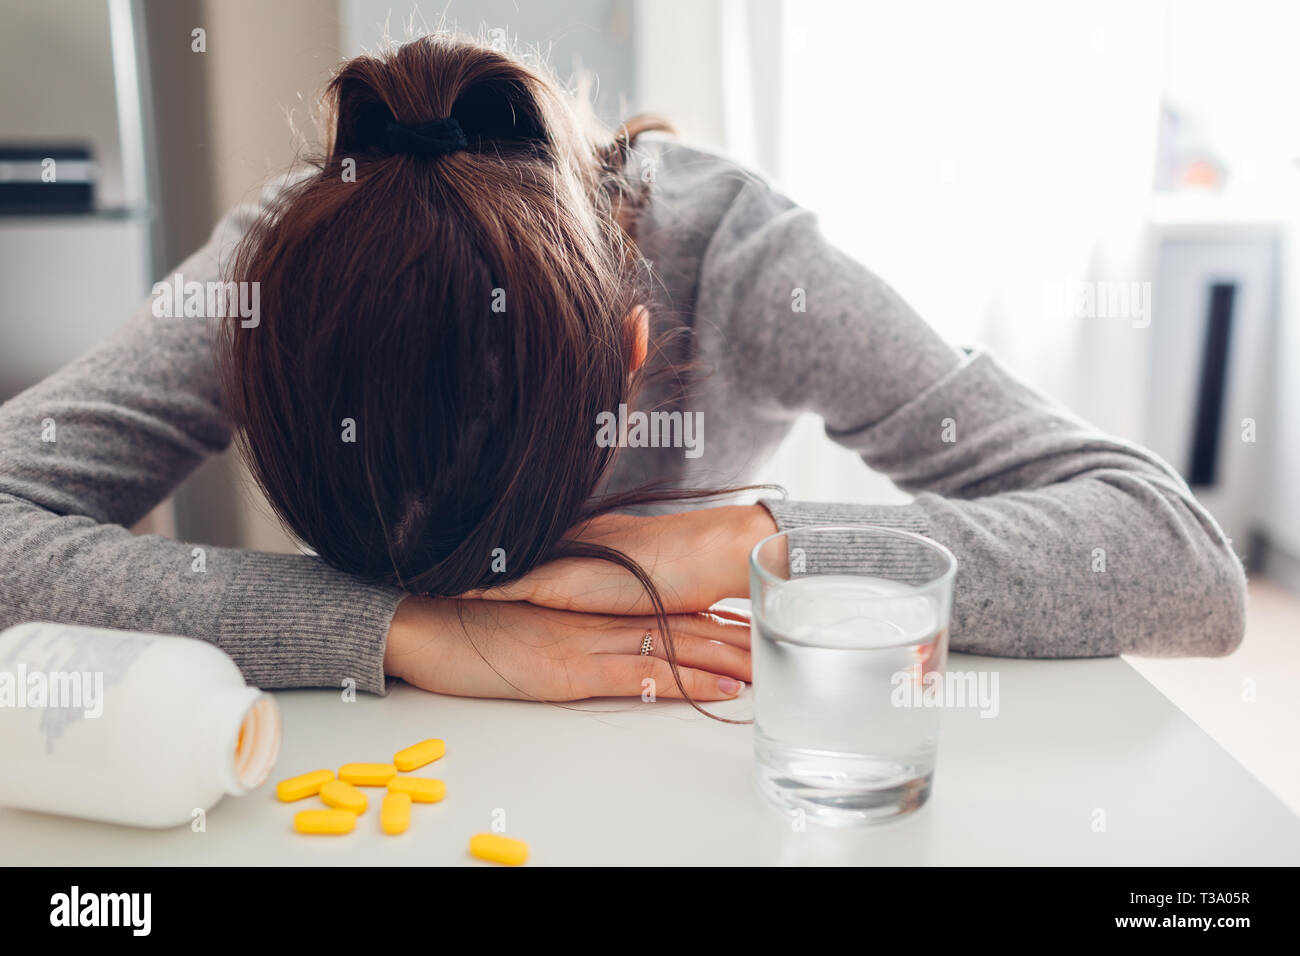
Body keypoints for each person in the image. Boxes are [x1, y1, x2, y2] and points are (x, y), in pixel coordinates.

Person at [0, 35, 1245, 708]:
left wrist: (753, 539)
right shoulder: (279, 270)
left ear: (634, 363)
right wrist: (399, 629)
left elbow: (1175, 560)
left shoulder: (741, 256)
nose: (481, 574)